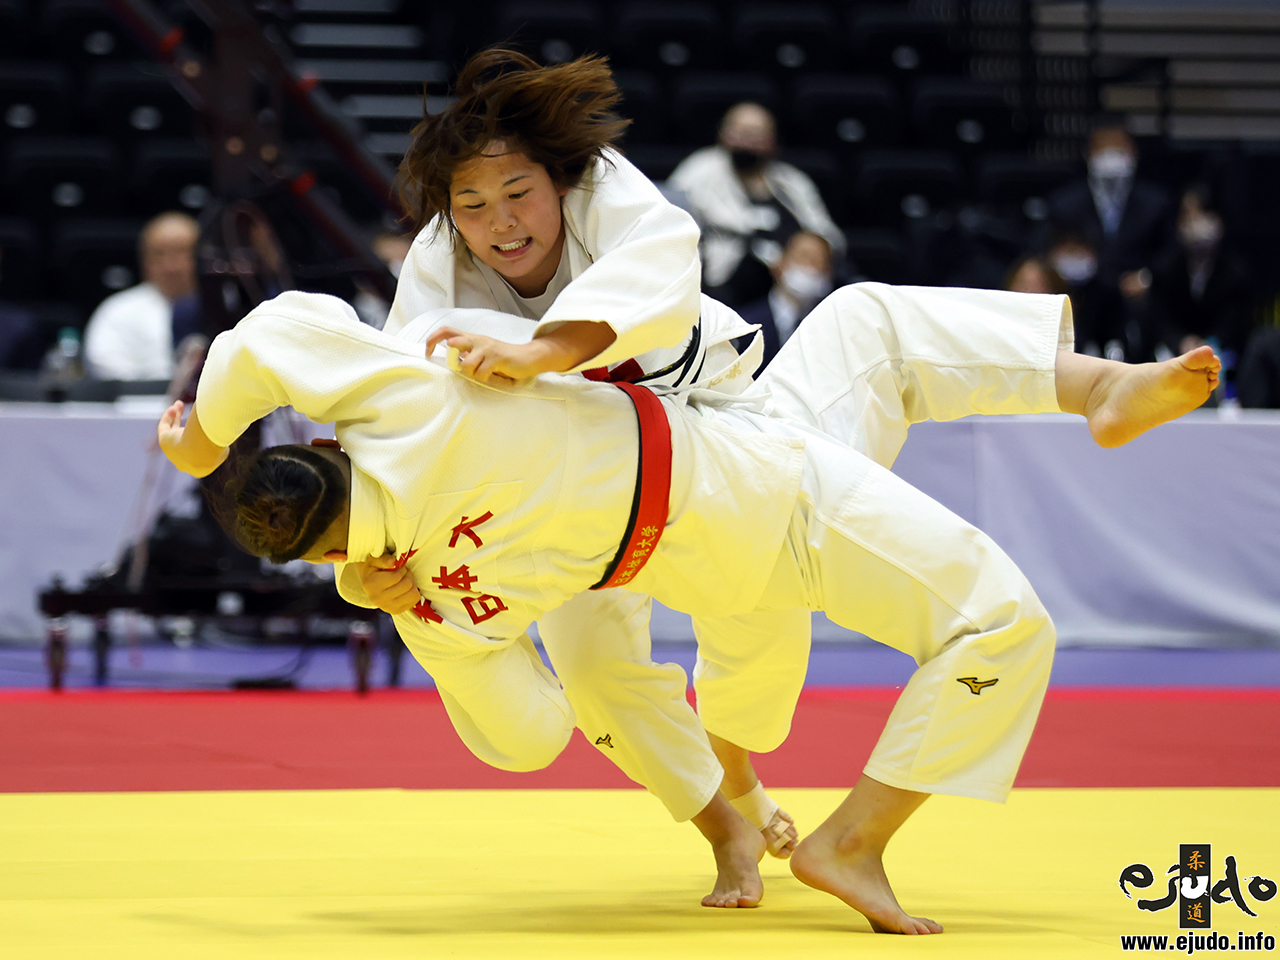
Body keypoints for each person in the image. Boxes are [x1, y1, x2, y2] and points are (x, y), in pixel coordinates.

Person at [157, 283, 1220, 931]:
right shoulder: (408, 395)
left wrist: (401, 611)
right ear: (325, 446)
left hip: (709, 491)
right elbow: (266, 337)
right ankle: (825, 831)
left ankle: (1095, 387)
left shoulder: (435, 603)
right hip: (745, 482)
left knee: (861, 332)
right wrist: (204, 441)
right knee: (994, 619)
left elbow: (527, 740)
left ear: (327, 550)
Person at [384, 46, 802, 886]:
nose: (499, 222)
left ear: (558, 183)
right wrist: (382, 547)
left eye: (517, 194)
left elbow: (664, 255)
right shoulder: (440, 258)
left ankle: (746, 775)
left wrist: (543, 350)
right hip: (577, 485)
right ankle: (727, 826)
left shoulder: (605, 187)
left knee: (765, 607)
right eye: (472, 204)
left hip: (707, 417)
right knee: (596, 672)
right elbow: (401, 406)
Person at [668, 102, 846, 308]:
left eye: (757, 134)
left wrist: (802, 256)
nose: (748, 141)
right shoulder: (698, 171)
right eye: (741, 132)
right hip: (723, 280)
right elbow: (671, 224)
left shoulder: (792, 182)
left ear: (772, 140)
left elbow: (828, 235)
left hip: (791, 283)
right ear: (723, 134)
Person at [1047, 117, 1173, 359]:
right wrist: (1071, 264)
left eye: (1118, 148)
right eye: (1103, 149)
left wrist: (1147, 277)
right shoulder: (1064, 205)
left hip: (1137, 299)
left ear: (1133, 152)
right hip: (1084, 298)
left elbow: (1169, 253)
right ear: (1089, 155)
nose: (1110, 156)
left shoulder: (1156, 204)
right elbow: (1051, 251)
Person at [1146, 183, 1253, 372]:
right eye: (1189, 216)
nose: (1197, 224)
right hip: (1174, 353)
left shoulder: (1236, 273)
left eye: (1203, 215)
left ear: (1219, 222)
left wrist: (1209, 344)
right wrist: (1181, 341)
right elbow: (1160, 319)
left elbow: (1235, 321)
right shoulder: (1165, 269)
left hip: (1223, 356)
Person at [82, 211, 199, 381]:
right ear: (144, 260)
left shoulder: (224, 309)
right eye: (159, 254)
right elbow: (104, 366)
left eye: (181, 252)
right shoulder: (117, 310)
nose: (170, 266)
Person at [736, 230, 834, 367]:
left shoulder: (831, 331)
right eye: (803, 257)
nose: (809, 268)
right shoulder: (743, 326)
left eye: (817, 262)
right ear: (780, 263)